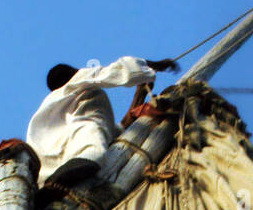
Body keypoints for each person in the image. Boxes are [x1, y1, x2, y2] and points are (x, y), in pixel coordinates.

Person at [26, 56, 179, 188]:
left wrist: (140, 94)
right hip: (80, 145)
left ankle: (66, 173)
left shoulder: (52, 104)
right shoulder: (77, 81)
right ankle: (84, 160)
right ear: (73, 73)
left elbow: (114, 132)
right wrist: (155, 65)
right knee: (90, 134)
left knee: (94, 132)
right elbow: (119, 69)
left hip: (47, 167)